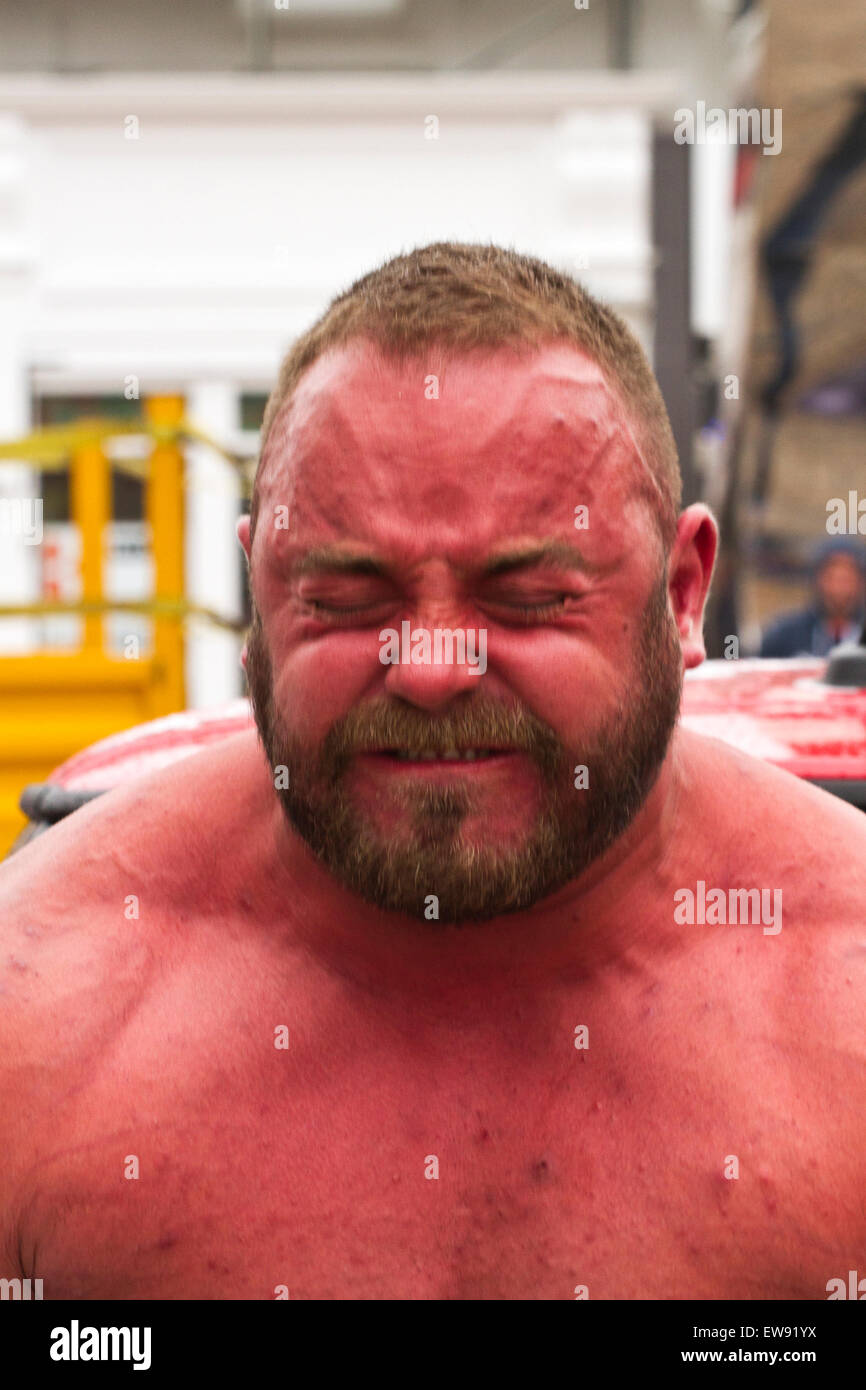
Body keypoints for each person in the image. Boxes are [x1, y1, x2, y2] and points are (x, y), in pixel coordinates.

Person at [1, 242, 865, 1302]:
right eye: (349, 597)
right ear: (258, 597)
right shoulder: (38, 1013)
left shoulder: (842, 1003)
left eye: (527, 597)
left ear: (682, 593)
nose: (430, 670)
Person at [759, 536, 866, 657]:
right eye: (831, 578)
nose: (838, 589)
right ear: (816, 580)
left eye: (847, 579)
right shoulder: (783, 636)